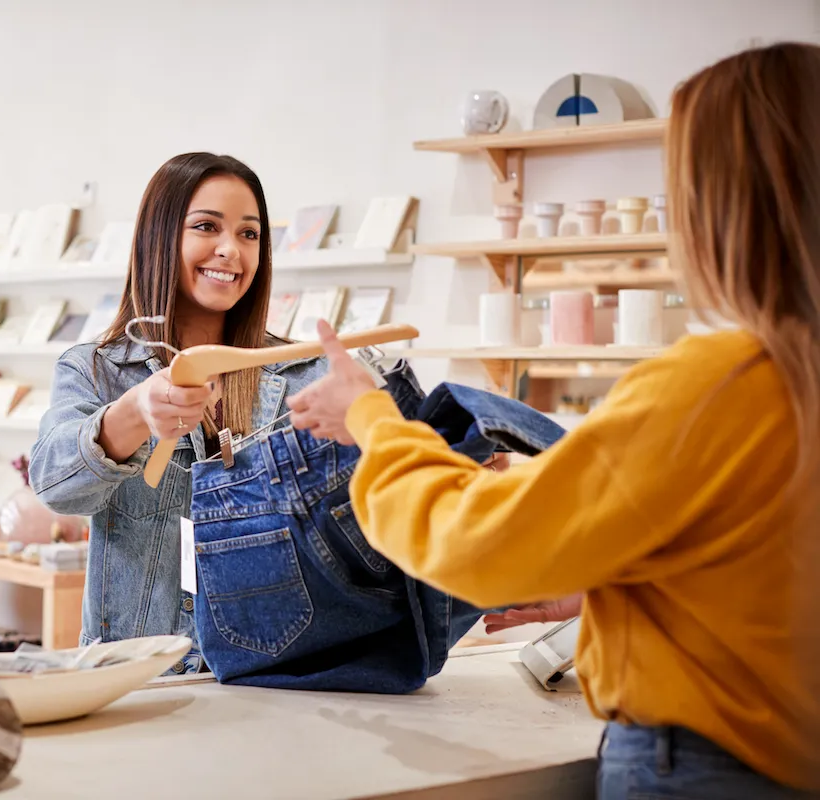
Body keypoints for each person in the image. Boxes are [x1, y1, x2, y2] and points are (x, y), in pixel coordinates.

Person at [287, 43, 820, 798]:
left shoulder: (718, 386)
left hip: (705, 769)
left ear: (716, 205)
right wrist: (624, 586)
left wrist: (372, 418)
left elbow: (476, 541)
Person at [29, 153, 326, 670]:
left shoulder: (303, 374)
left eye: (249, 234)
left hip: (270, 674)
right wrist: (133, 413)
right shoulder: (97, 369)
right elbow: (56, 485)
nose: (231, 250)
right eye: (206, 227)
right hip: (137, 676)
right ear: (159, 237)